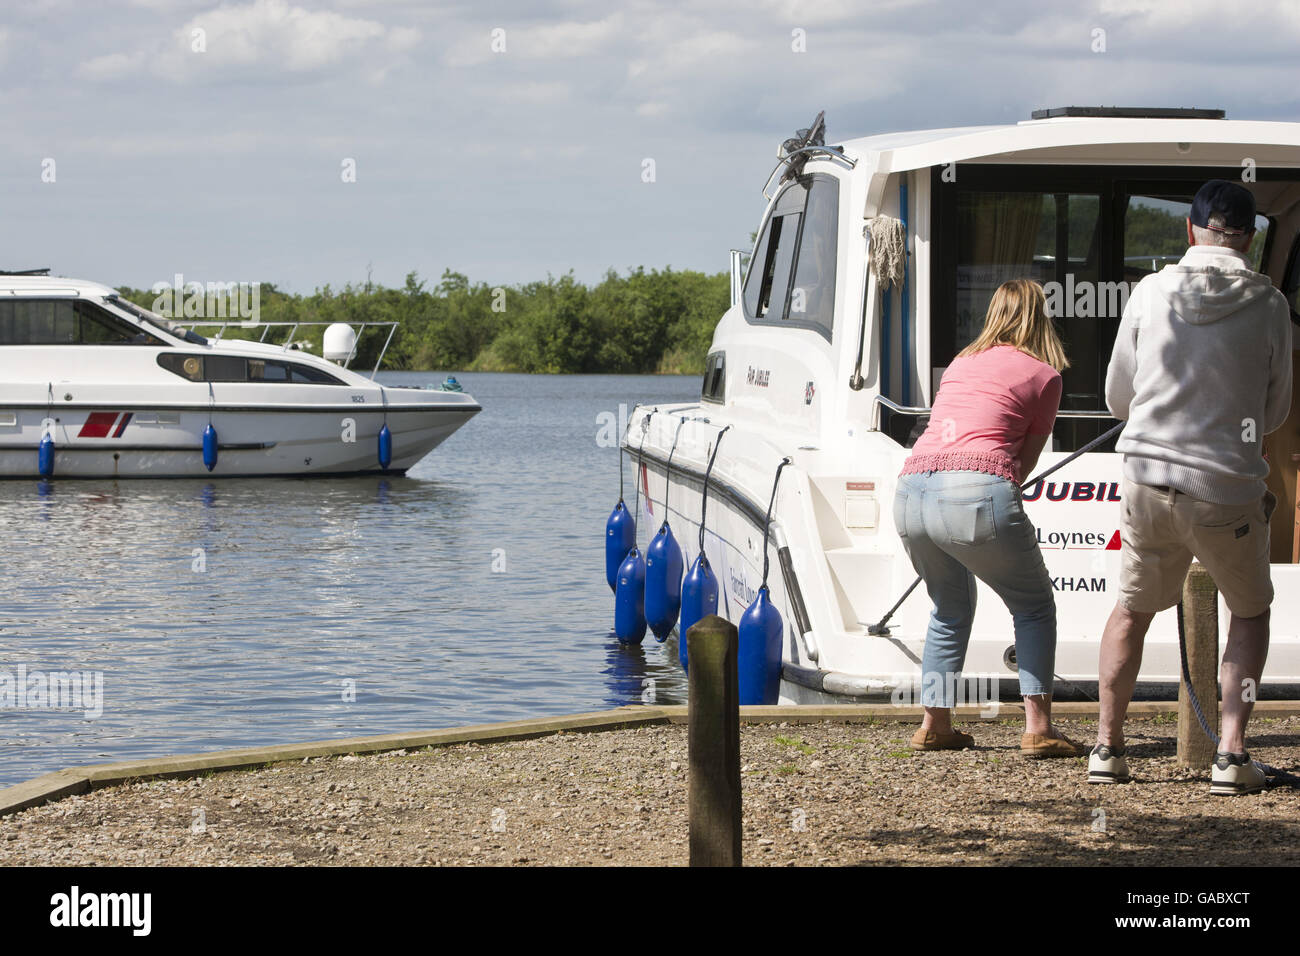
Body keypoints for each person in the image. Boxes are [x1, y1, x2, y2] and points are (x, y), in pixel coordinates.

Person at [1093, 179, 1293, 795]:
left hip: (1148, 480)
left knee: (1131, 608)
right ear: (1251, 238)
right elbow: (1277, 409)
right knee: (1250, 611)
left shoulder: (1150, 293)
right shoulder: (1270, 303)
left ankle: (1108, 747)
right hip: (1224, 487)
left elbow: (1116, 397)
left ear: (1189, 231)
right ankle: (1231, 757)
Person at [894, 278, 1080, 756]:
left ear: (994, 313)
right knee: (1033, 604)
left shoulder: (960, 363)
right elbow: (1024, 461)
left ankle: (934, 722)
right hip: (974, 489)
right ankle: (1038, 728)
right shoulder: (1045, 375)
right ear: (1041, 317)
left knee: (949, 607)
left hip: (912, 488)